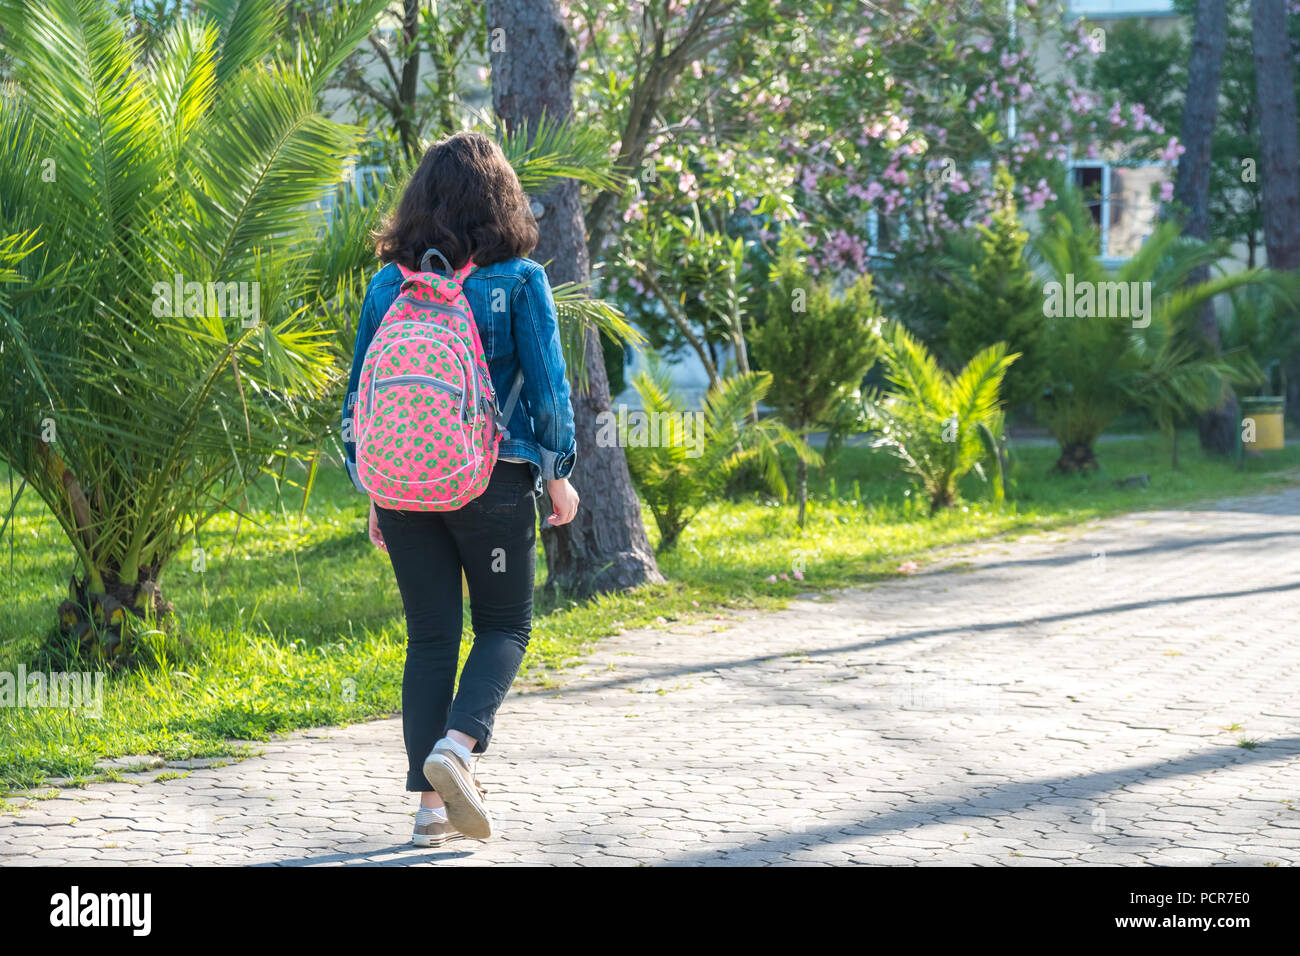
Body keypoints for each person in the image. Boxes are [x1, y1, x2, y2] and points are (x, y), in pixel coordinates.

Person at [341, 131, 579, 846]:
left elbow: (361, 398)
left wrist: (375, 486)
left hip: (405, 487)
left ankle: (427, 811)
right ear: (502, 198)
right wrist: (560, 473)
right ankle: (459, 745)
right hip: (494, 482)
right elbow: (548, 392)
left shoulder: (390, 283)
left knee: (431, 638)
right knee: (506, 625)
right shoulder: (520, 280)